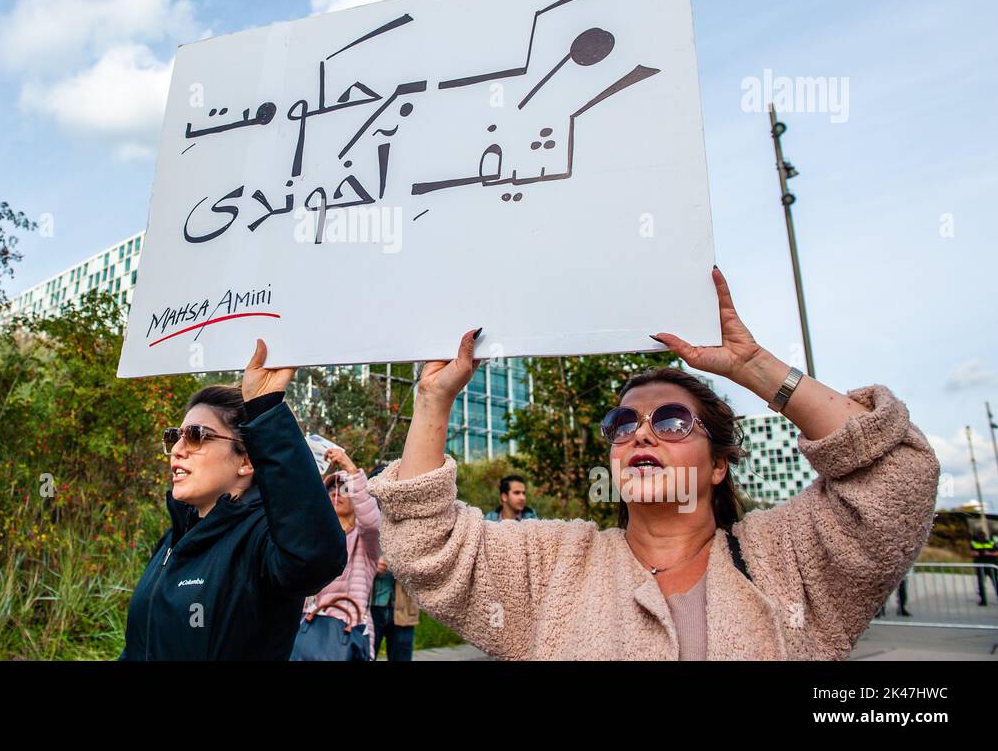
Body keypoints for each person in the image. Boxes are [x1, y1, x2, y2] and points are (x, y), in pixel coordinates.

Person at [367, 268, 940, 660]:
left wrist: (754, 368)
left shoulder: (786, 561)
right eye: (623, 424)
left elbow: (896, 478)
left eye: (670, 421)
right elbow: (426, 544)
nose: (640, 431)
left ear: (718, 466)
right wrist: (433, 399)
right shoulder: (555, 565)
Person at [120, 340, 347, 660]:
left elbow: (316, 558)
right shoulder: (173, 539)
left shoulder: (263, 542)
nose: (177, 450)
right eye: (175, 436)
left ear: (247, 461)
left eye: (197, 435)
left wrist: (266, 410)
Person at [291, 448, 381, 659]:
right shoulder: (315, 537)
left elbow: (372, 523)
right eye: (331, 489)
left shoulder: (366, 541)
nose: (337, 493)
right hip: (308, 631)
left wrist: (350, 469)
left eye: (345, 489)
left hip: (349, 631)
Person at [368, 464, 419, 661]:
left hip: (403, 606)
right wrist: (372, 564)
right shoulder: (363, 520)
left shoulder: (412, 522)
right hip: (370, 606)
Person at [971, 528, 998, 605]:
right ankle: (983, 601)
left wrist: (989, 554)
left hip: (991, 565)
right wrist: (976, 554)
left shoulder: (992, 542)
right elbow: (972, 553)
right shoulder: (974, 542)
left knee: (995, 582)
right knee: (981, 583)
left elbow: (996, 553)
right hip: (980, 565)